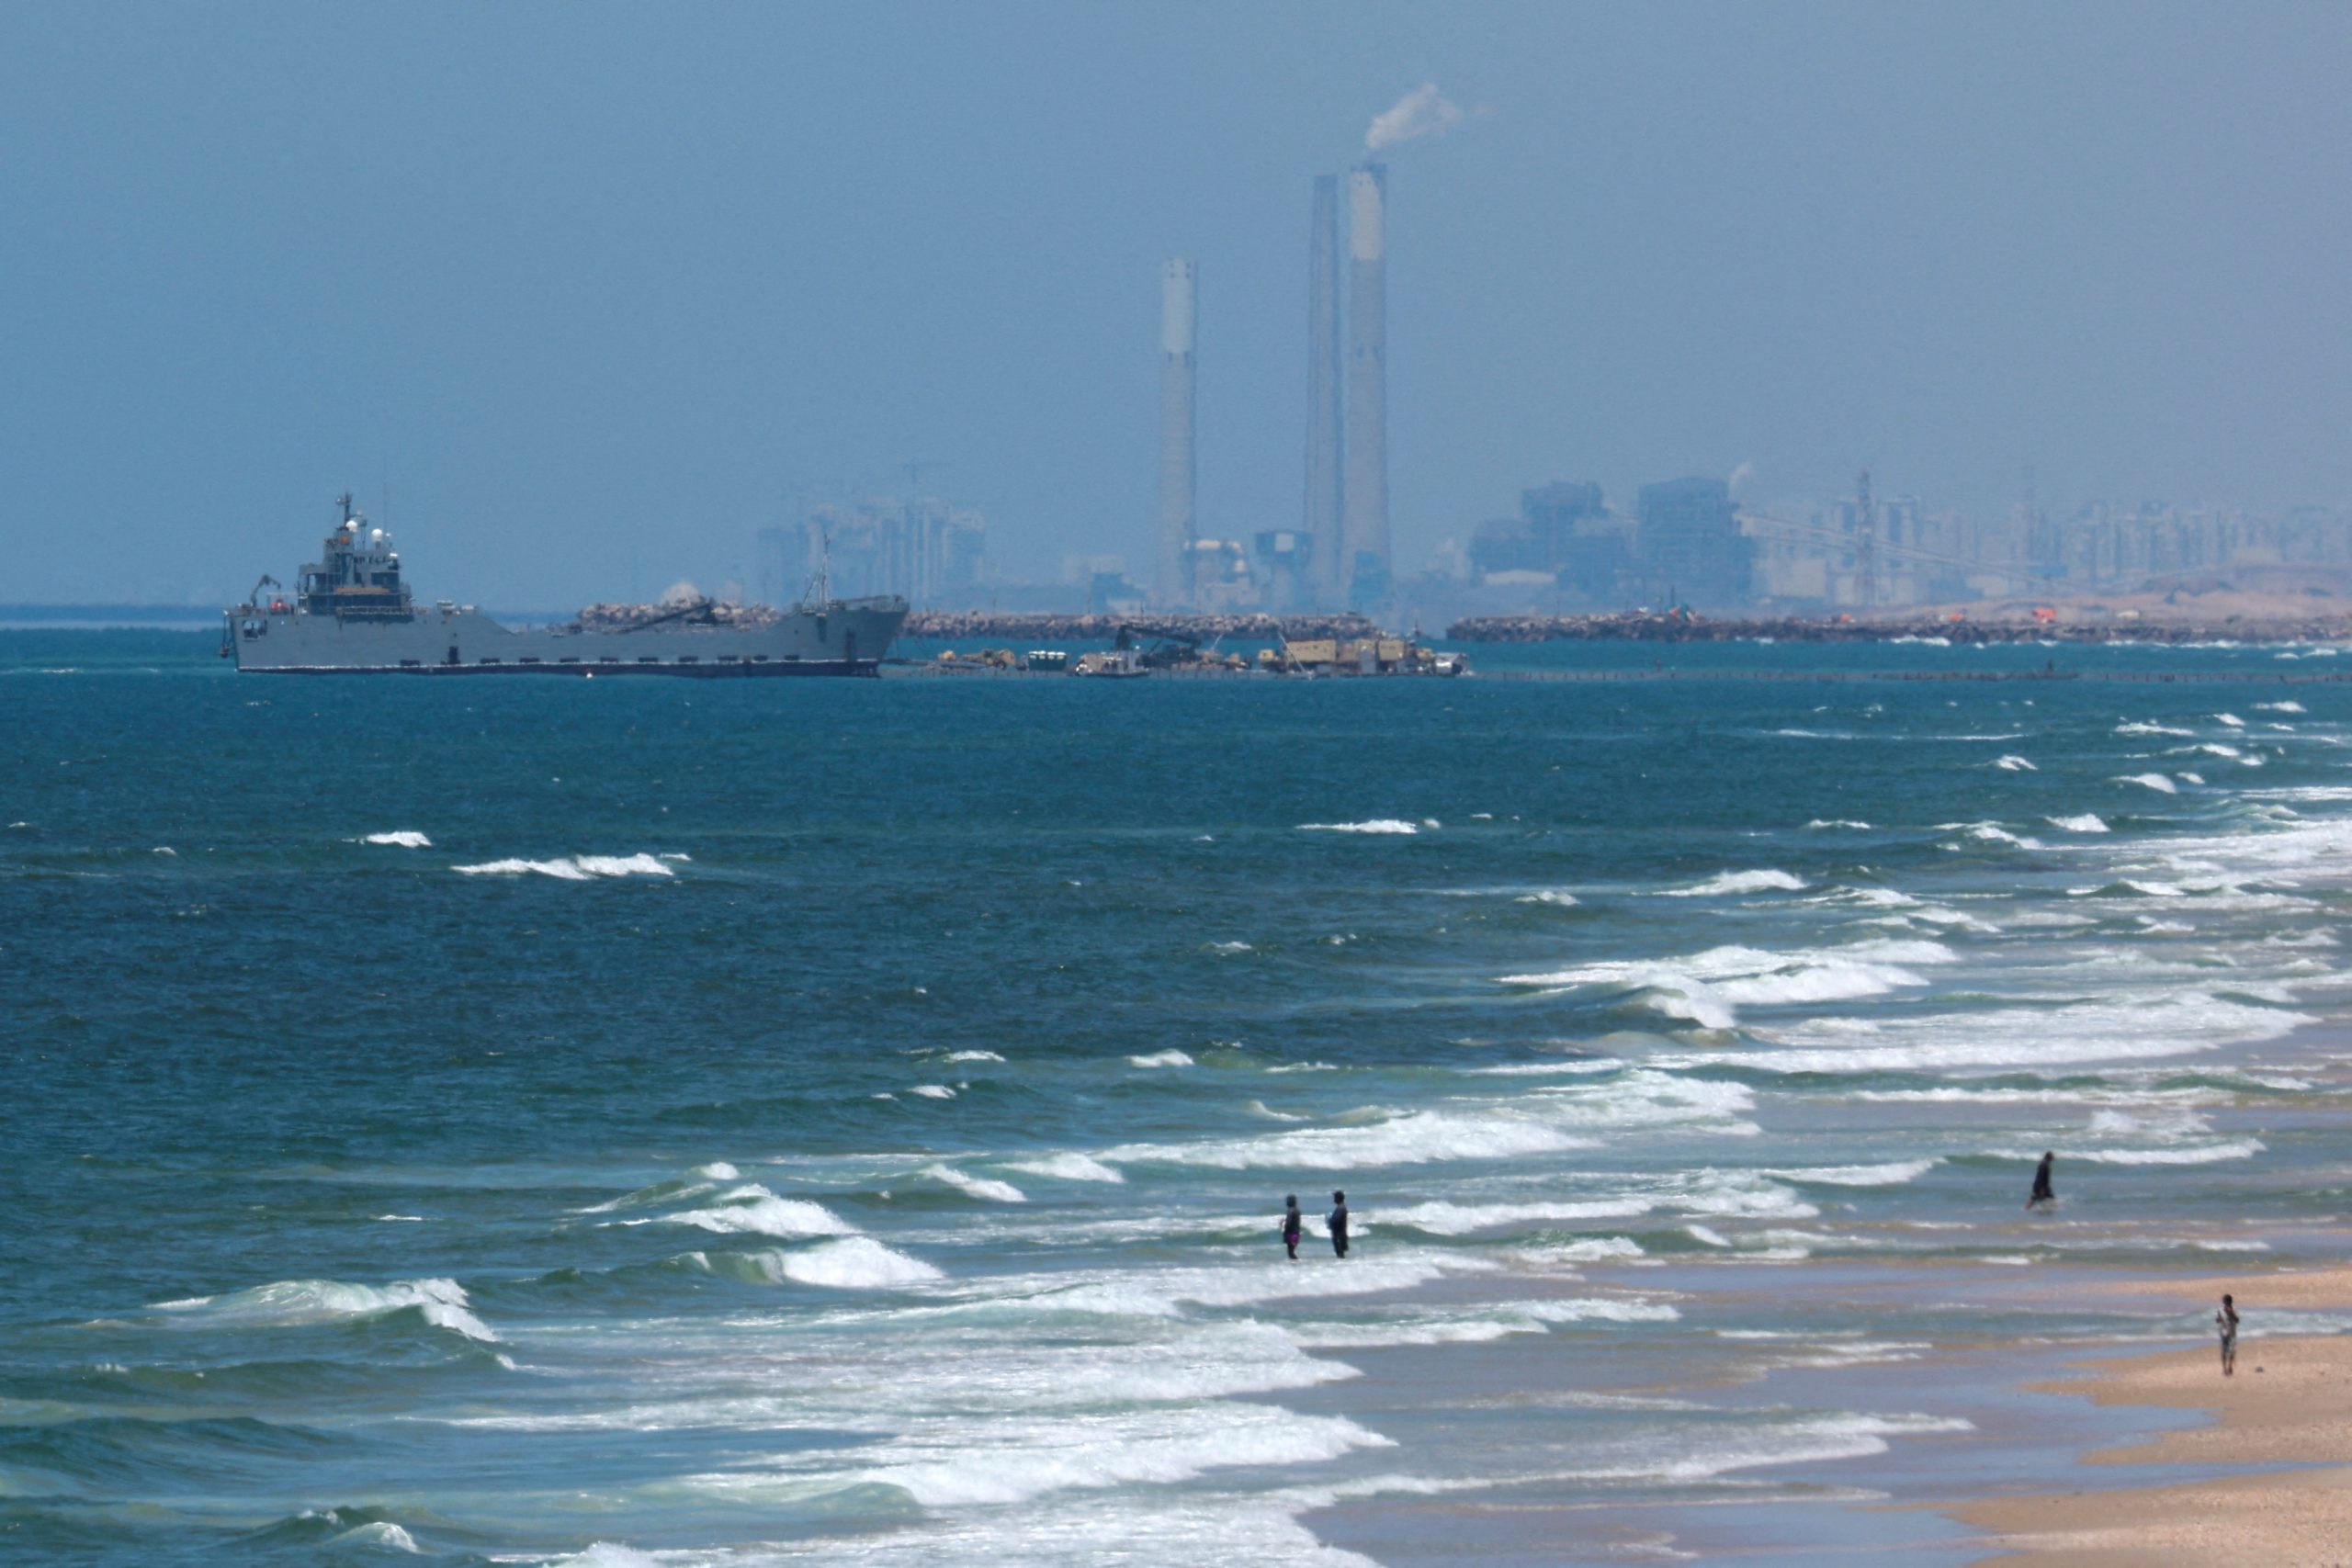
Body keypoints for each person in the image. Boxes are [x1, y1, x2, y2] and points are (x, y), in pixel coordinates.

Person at [2217, 1292, 2240, 1376]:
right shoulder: (2220, 1310)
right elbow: (2217, 1319)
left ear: (2230, 1303)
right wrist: (2219, 1319)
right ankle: (2224, 1369)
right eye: (2224, 1303)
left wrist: (2231, 1313)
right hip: (2223, 1333)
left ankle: (2230, 1366)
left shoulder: (2235, 1309)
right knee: (2223, 1351)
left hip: (2232, 1333)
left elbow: (2237, 1320)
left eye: (2227, 1303)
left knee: (2232, 1351)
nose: (2225, 1305)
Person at [1328, 1190, 1350, 1258]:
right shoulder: (1341, 1207)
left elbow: (1336, 1220)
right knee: (1341, 1254)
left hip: (1339, 1235)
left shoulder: (1341, 1208)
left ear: (1338, 1198)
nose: (1334, 1199)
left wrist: (1330, 1221)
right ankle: (1342, 1267)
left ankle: (1342, 1267)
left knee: (1340, 1254)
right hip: (1340, 1234)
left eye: (1335, 1197)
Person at [1281, 1194, 1303, 1260]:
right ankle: (1295, 1265)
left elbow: (1289, 1222)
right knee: (1292, 1252)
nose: (1286, 1203)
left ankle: (1297, 1264)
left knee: (1290, 1253)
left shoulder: (1290, 1210)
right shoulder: (1297, 1210)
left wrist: (1283, 1226)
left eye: (1288, 1201)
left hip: (1291, 1234)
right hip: (1296, 1233)